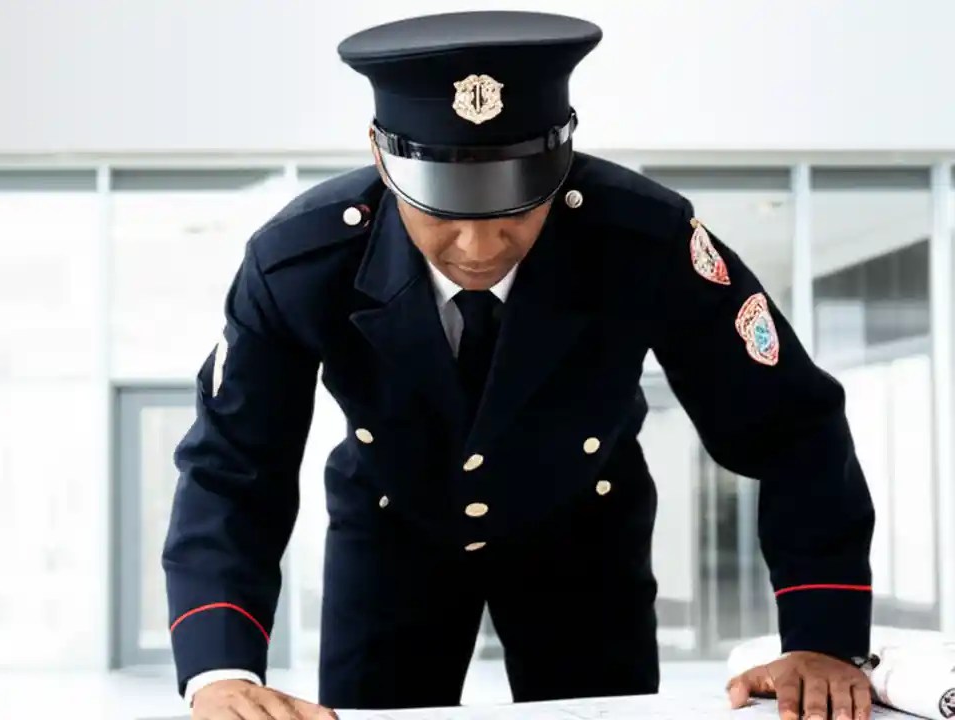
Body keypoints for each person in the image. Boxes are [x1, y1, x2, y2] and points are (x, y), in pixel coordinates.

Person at [162, 10, 876, 720]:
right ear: (383, 161)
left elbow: (792, 425)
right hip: (392, 532)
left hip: (583, 533)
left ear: (561, 160)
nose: (478, 246)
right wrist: (220, 670)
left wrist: (823, 641)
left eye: (515, 207)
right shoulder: (299, 262)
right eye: (442, 207)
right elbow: (233, 465)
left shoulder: (641, 239)